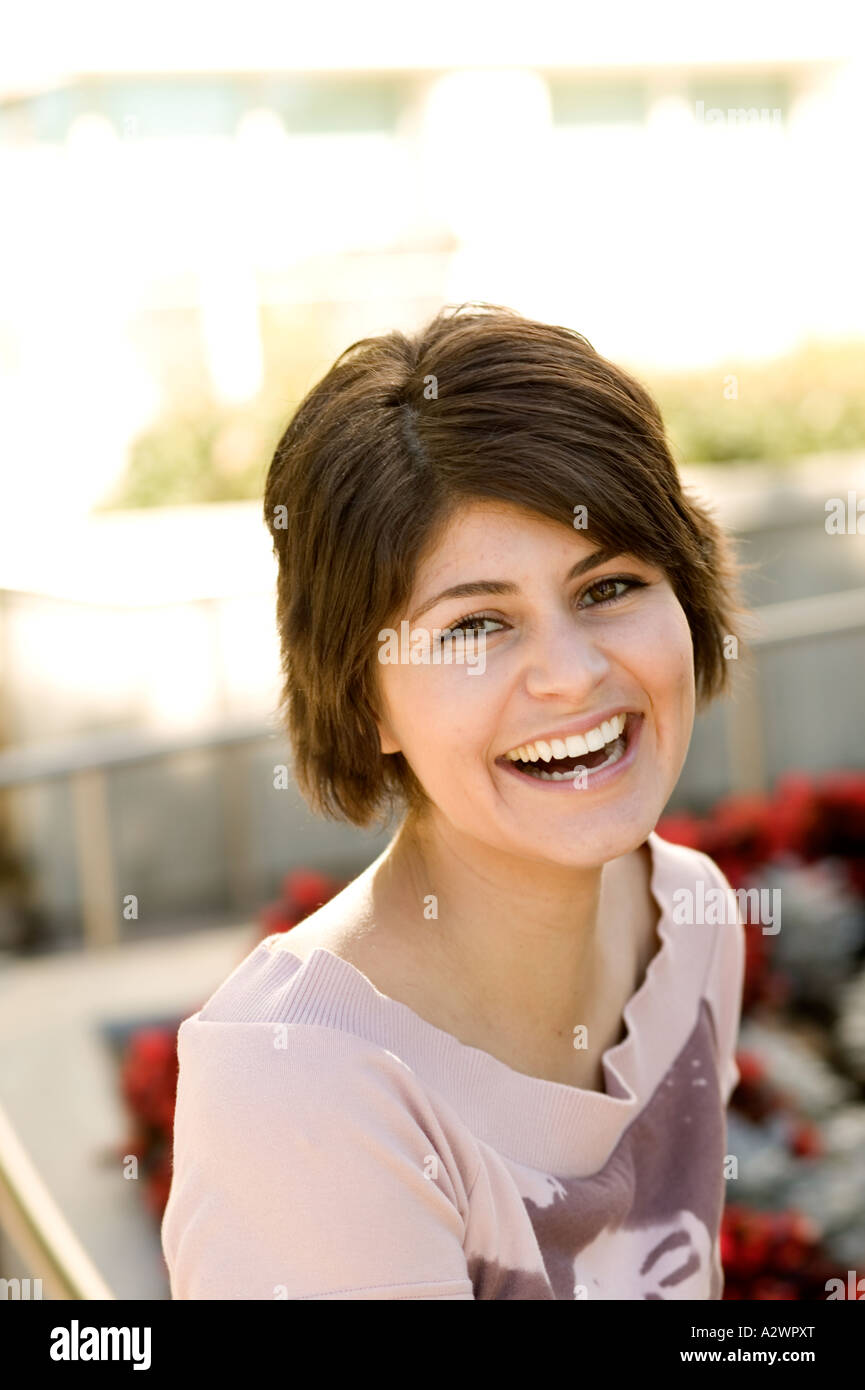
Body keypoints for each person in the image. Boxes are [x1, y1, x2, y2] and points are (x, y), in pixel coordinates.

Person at [161, 302, 747, 1299]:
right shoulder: (301, 1079)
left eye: (608, 587)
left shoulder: (687, 917)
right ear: (363, 698)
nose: (570, 673)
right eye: (476, 624)